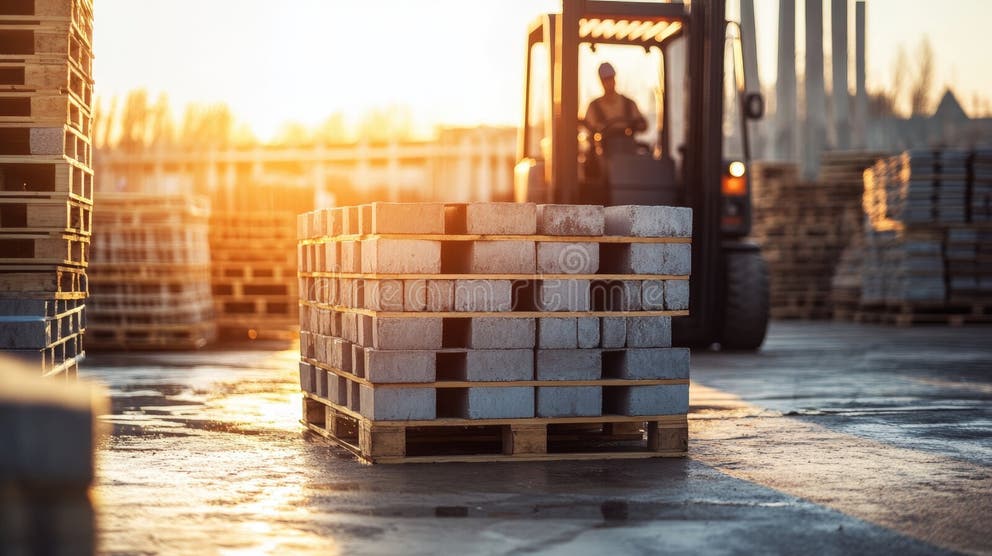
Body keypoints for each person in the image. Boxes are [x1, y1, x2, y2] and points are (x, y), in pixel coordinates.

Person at [583, 62, 648, 150]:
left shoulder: (628, 103)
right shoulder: (594, 106)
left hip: (628, 149)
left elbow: (642, 124)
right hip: (603, 151)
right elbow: (589, 127)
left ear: (614, 79)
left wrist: (638, 125)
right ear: (601, 81)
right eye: (606, 80)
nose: (609, 83)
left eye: (611, 79)